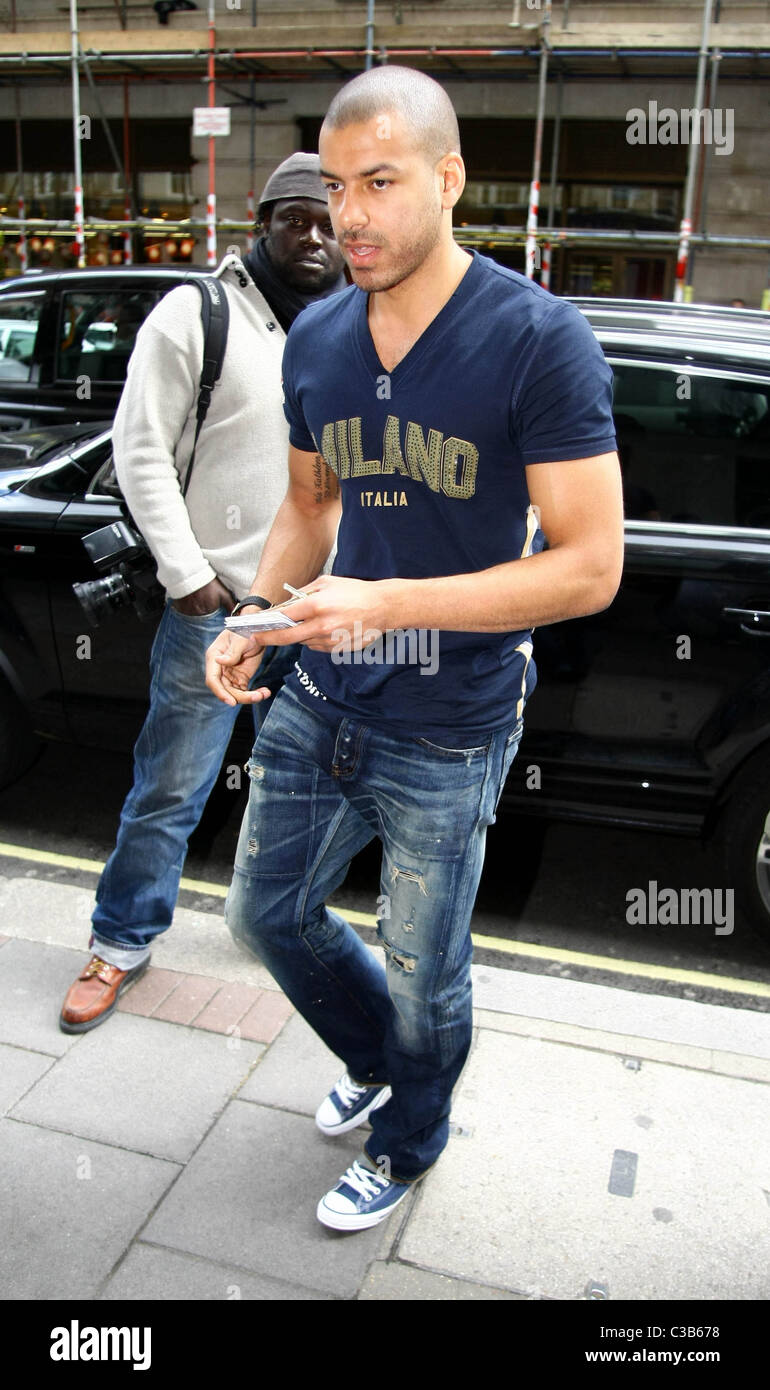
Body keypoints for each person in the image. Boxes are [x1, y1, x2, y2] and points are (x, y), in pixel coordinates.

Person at [204, 67, 624, 1232]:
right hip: (321, 687)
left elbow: (589, 565)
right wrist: (259, 611)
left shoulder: (538, 339)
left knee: (424, 966)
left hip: (453, 715)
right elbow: (309, 505)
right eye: (335, 187)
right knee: (263, 914)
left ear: (448, 180)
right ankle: (388, 1058)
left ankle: (408, 1136)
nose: (348, 216)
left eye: (379, 182)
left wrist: (387, 605)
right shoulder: (320, 336)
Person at [60, 153, 346, 1034]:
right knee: (173, 786)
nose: (315, 235)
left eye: (328, 218)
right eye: (295, 216)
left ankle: (272, 927)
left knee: (304, 790)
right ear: (260, 223)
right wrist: (188, 581)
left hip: (316, 613)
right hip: (218, 612)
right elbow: (139, 449)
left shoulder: (353, 324)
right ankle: (122, 941)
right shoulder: (199, 313)